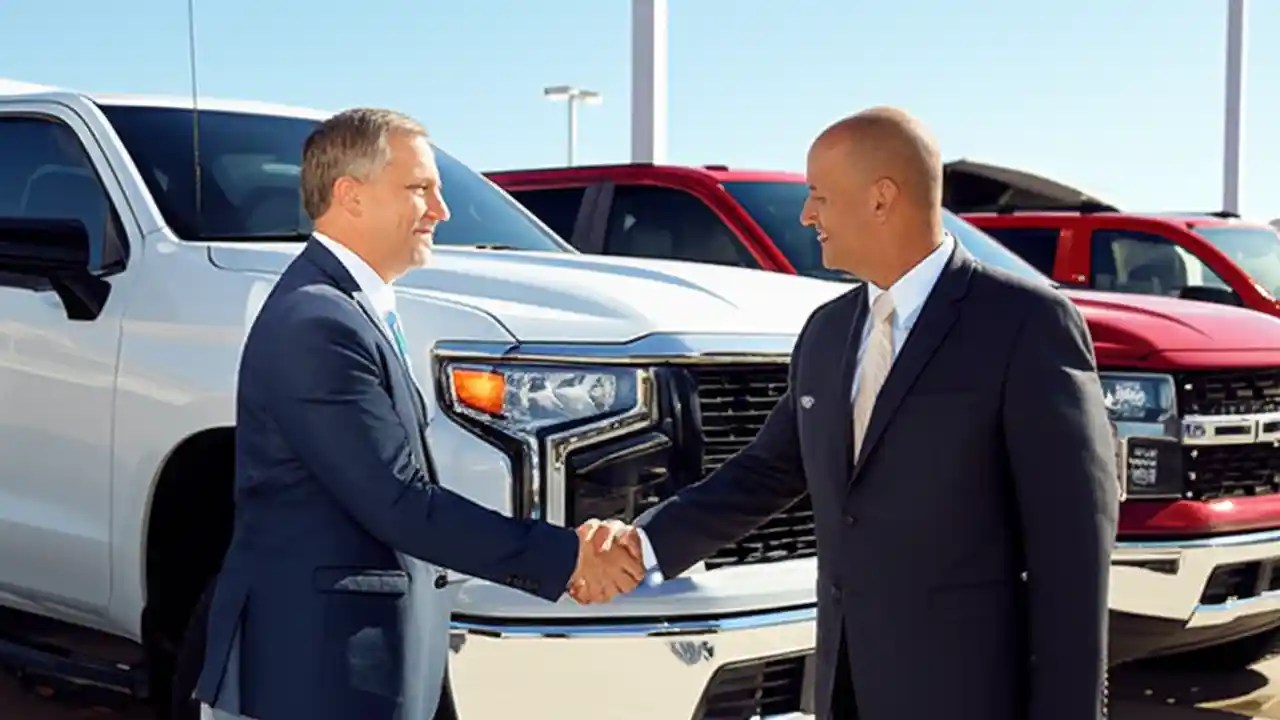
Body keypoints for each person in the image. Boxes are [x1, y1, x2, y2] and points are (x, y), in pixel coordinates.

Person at [596, 107, 1120, 719]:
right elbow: (767, 471)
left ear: (881, 198)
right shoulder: (826, 332)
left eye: (819, 195)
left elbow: (1074, 551)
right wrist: (645, 545)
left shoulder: (1025, 323)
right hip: (846, 688)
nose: (806, 215)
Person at [191, 108, 643, 720]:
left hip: (361, 669)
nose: (440, 210)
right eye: (419, 189)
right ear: (349, 195)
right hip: (315, 675)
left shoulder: (351, 310)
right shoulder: (318, 323)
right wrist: (567, 558)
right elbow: (399, 503)